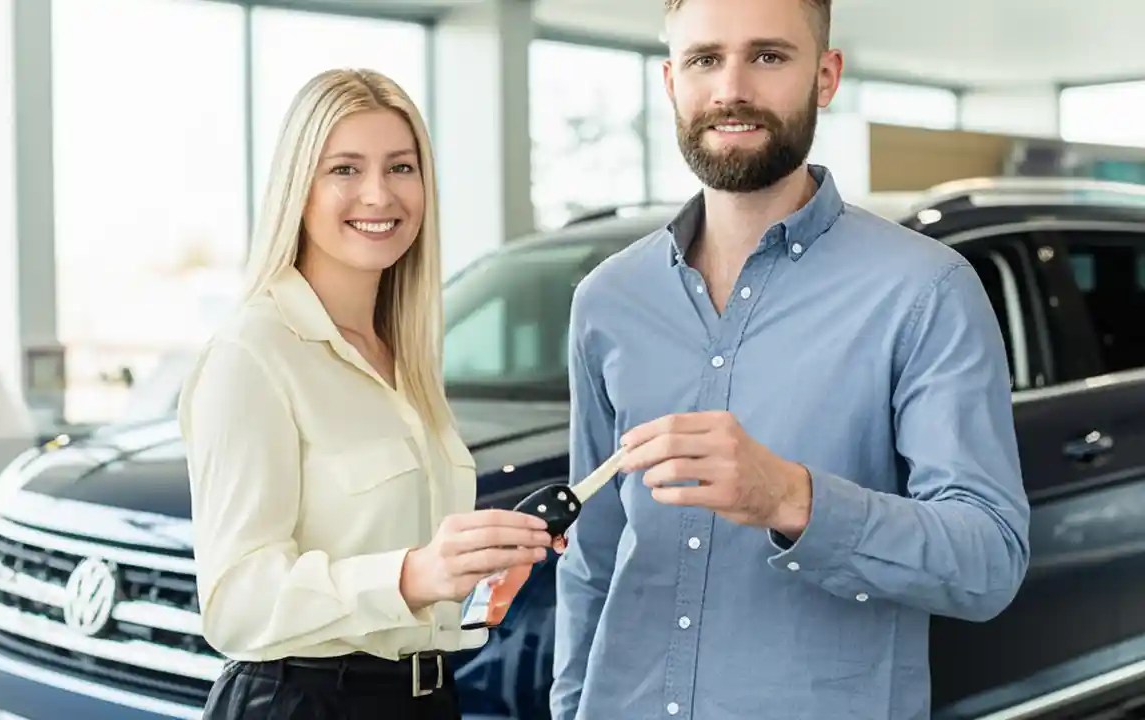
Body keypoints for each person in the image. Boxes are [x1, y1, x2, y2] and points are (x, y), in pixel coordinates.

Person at [550, 0, 1031, 718]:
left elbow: (988, 561)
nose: (732, 88)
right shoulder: (607, 300)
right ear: (670, 81)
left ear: (826, 77)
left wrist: (789, 499)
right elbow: (593, 554)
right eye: (705, 59)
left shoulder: (926, 291)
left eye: (768, 56)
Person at [177, 68, 552, 720]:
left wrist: (481, 568)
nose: (379, 195)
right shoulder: (253, 352)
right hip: (303, 704)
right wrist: (412, 574)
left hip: (423, 698)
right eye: (345, 169)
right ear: (299, 189)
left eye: (401, 168)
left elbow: (405, 571)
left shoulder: (401, 354)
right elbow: (236, 602)